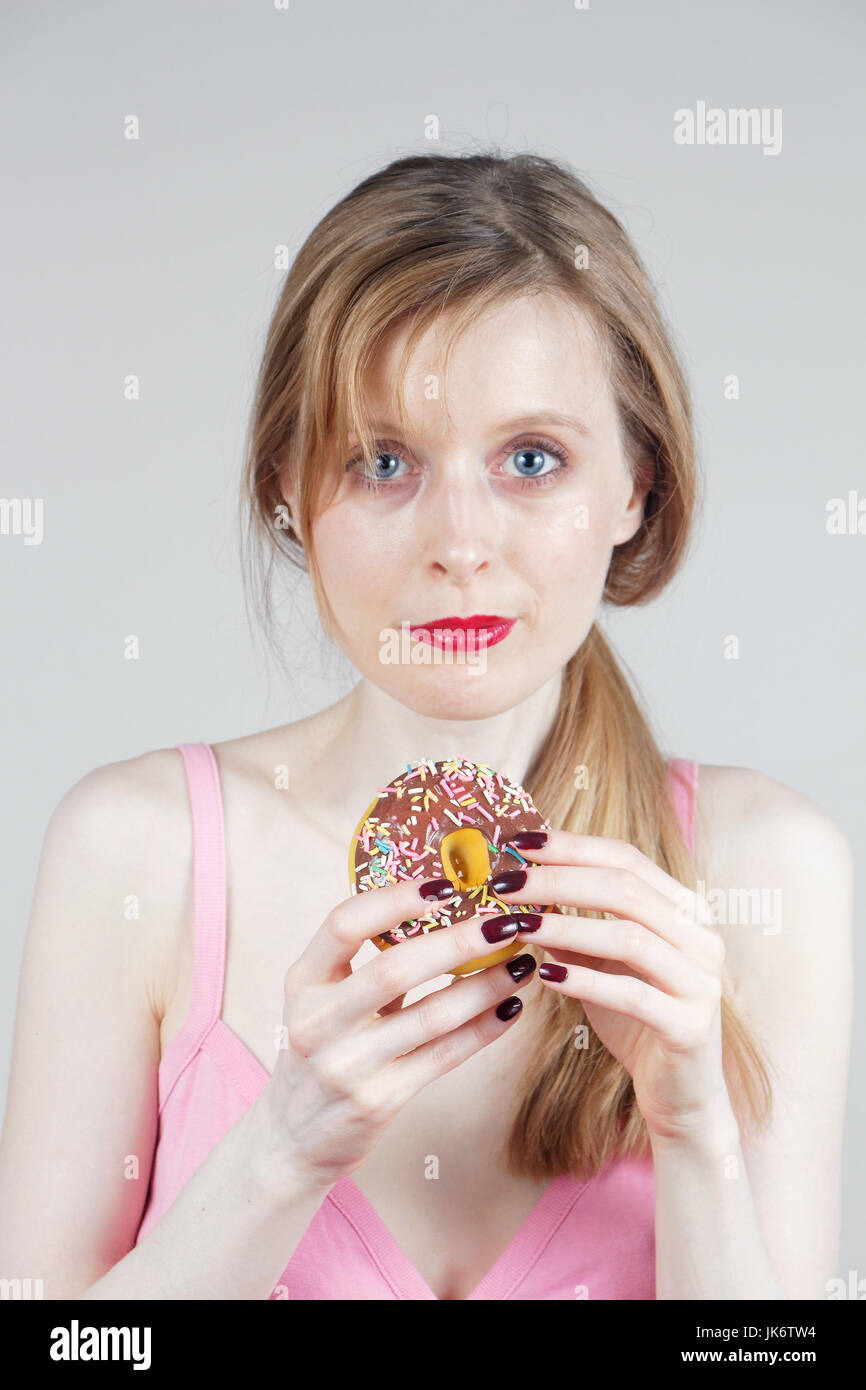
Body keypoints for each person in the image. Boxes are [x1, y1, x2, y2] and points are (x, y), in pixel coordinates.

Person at [0, 152, 852, 1301]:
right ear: (286, 490)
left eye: (531, 459)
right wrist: (278, 1149)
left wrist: (694, 1135)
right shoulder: (137, 848)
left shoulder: (766, 867)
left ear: (634, 486)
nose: (458, 541)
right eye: (384, 461)